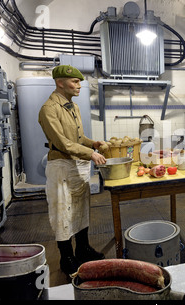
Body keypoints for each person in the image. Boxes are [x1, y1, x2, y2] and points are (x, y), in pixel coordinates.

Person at [38, 65, 107, 275]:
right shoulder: (49, 109)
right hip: (61, 167)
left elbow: (77, 139)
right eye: (75, 82)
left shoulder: (73, 107)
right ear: (60, 83)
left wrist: (92, 143)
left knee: (80, 210)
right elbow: (63, 143)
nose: (79, 85)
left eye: (79, 82)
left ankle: (83, 249)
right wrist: (91, 154)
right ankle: (66, 258)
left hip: (76, 166)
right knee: (63, 213)